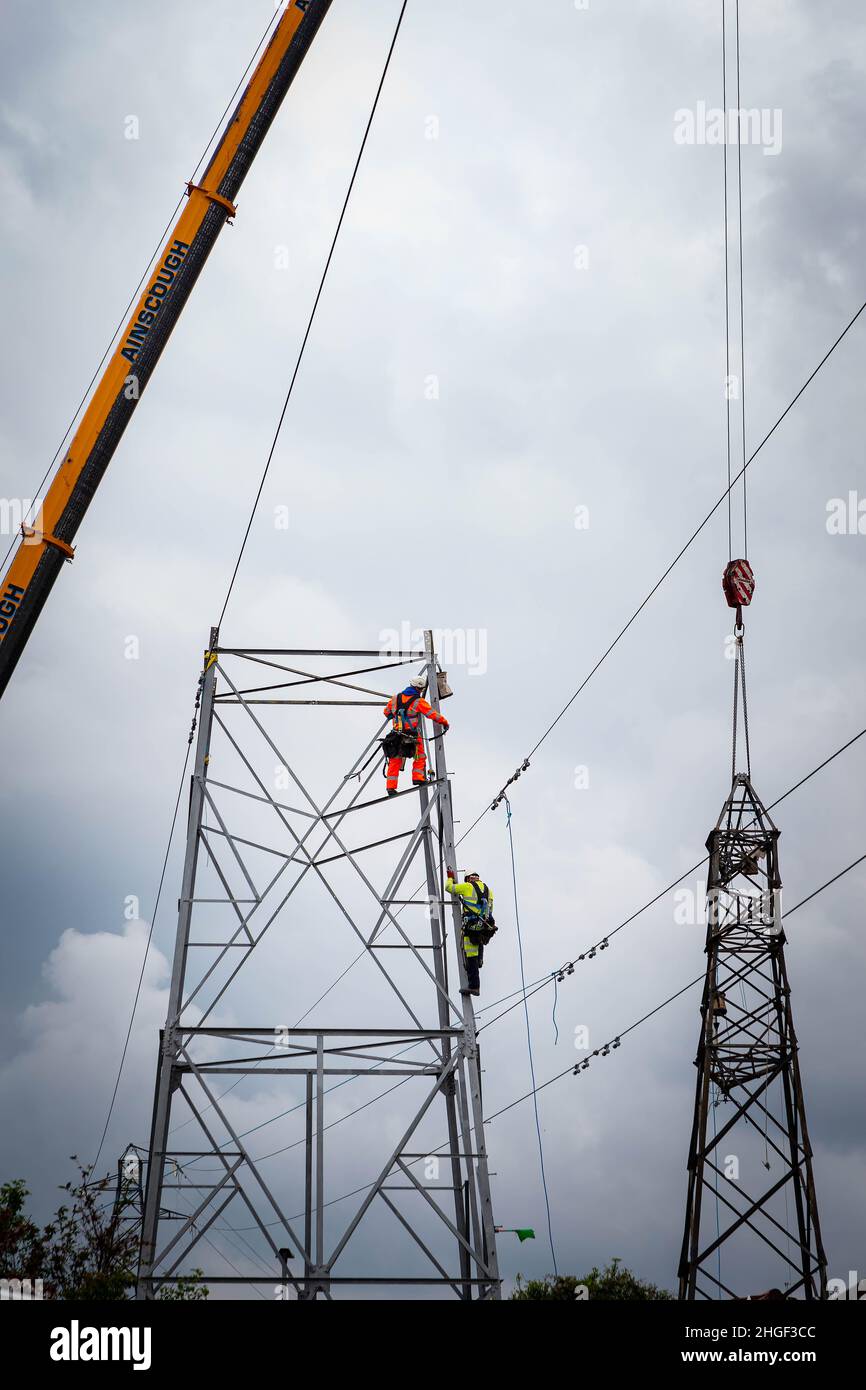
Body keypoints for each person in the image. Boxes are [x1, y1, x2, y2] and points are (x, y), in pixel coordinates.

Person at [382, 676, 449, 795]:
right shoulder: (418, 701)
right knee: (420, 756)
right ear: (420, 689)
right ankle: (418, 777)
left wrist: (394, 716)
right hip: (411, 735)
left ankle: (390, 788)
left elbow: (386, 712)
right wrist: (444, 722)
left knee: (394, 761)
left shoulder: (395, 698)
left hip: (396, 735)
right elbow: (432, 714)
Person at [445, 867, 496, 996]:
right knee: (478, 944)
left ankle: (474, 986)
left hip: (471, 927)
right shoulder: (488, 890)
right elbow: (490, 909)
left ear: (468, 878)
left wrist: (450, 877)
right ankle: (480, 960)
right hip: (484, 926)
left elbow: (449, 887)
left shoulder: (467, 886)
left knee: (471, 957)